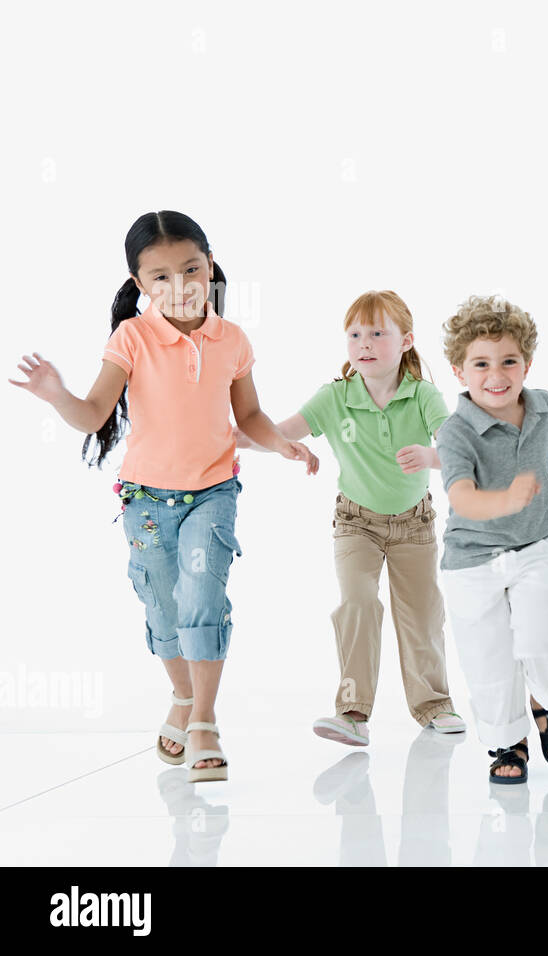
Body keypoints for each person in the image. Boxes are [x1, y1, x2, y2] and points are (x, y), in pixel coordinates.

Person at [9, 210, 313, 782]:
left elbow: (247, 413)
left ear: (211, 265)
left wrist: (281, 446)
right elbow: (95, 414)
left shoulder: (233, 340)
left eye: (192, 269)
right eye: (161, 277)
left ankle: (203, 720)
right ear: (139, 284)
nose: (181, 286)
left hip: (213, 493)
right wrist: (56, 395)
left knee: (203, 594)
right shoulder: (132, 337)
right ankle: (181, 696)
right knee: (163, 607)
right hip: (146, 499)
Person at [237, 290, 466, 745]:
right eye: (356, 334)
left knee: (421, 615)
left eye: (378, 333)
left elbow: (458, 448)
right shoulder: (335, 397)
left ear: (405, 342)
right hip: (356, 523)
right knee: (358, 603)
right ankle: (353, 713)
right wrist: (230, 441)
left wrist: (430, 457)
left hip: (413, 525)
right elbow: (278, 432)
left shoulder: (423, 395)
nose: (364, 342)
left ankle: (434, 705)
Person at [436, 295, 548, 784]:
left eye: (508, 361)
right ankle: (508, 739)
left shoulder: (543, 406)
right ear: (459, 371)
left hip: (535, 544)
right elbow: (464, 499)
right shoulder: (455, 432)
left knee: (540, 635)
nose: (496, 374)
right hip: (470, 563)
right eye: (481, 364)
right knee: (488, 657)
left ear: (527, 364)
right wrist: (509, 499)